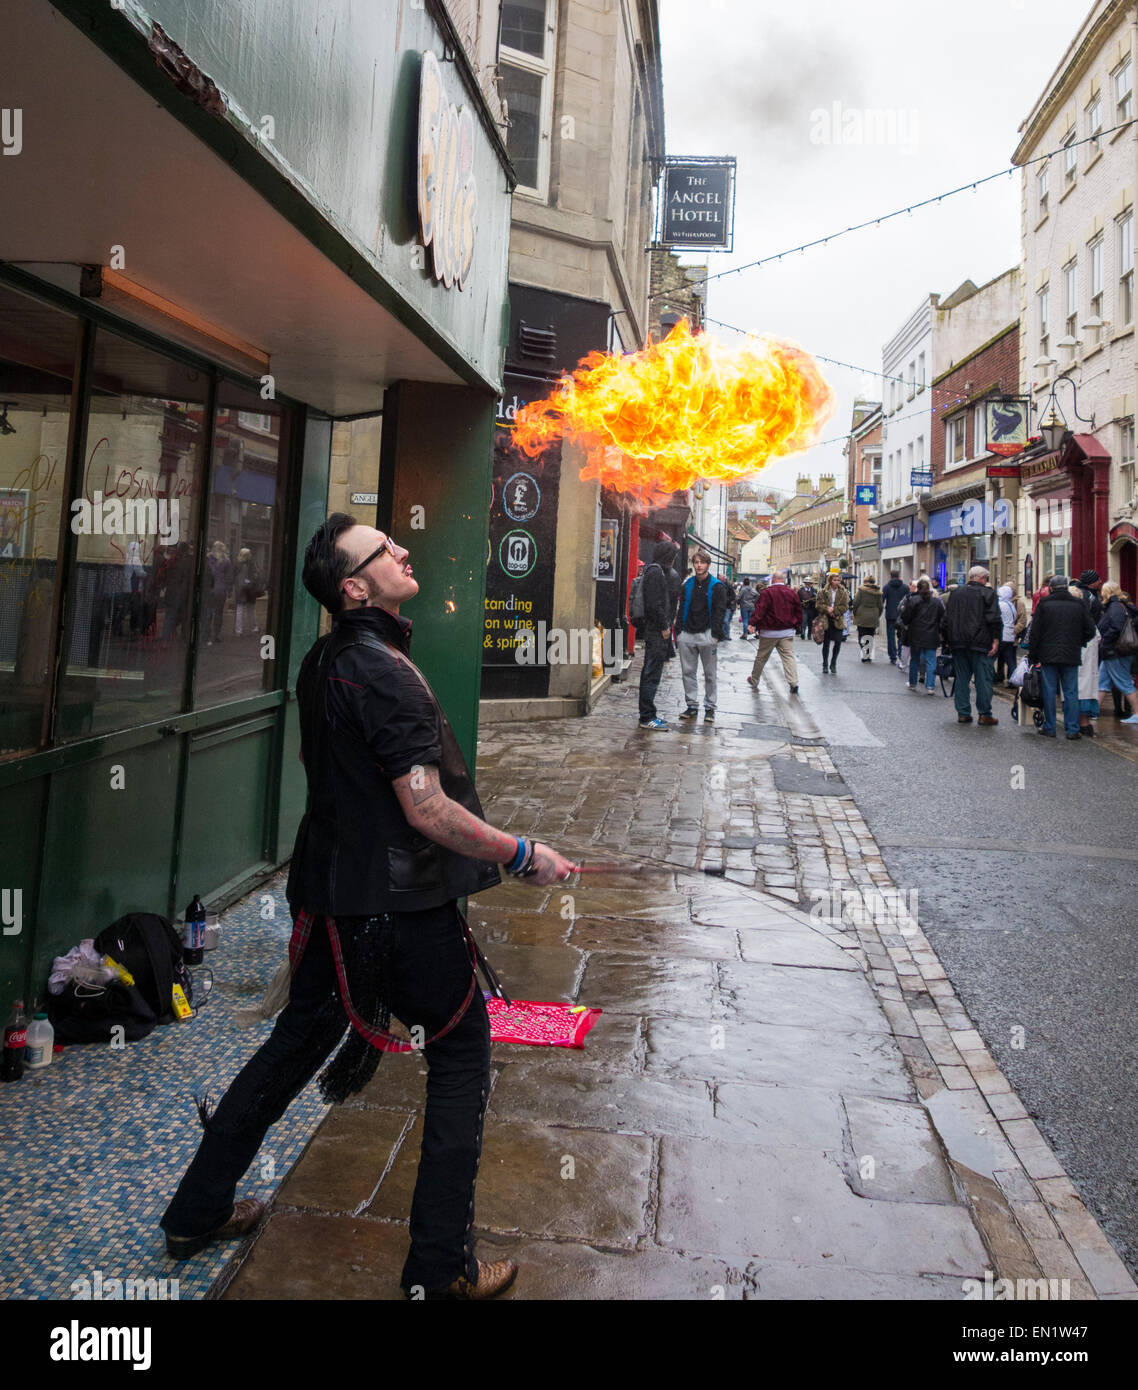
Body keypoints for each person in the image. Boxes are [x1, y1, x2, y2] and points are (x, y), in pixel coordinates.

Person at [160, 515, 576, 1300]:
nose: (403, 551)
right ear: (355, 586)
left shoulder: (323, 662)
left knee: (291, 1050)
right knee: (460, 1059)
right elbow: (427, 812)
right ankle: (439, 1273)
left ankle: (196, 1209)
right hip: (397, 916)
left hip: (332, 903)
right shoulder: (380, 669)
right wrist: (524, 854)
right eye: (385, 549)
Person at [1027, 573, 1096, 739]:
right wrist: (1080, 642)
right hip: (1071, 653)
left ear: (1050, 588)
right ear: (1066, 587)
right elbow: (1090, 630)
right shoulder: (1079, 604)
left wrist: (1033, 655)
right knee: (1071, 692)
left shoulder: (1044, 604)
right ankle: (1072, 729)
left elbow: (1035, 632)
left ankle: (1050, 727)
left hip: (1048, 654)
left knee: (1049, 691)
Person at [942, 564, 1001, 725]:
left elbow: (946, 620)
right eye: (986, 578)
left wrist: (947, 639)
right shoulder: (988, 594)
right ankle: (984, 714)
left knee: (962, 678)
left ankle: (963, 712)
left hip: (958, 643)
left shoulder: (955, 594)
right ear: (982, 578)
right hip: (981, 643)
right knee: (983, 680)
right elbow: (994, 619)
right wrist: (996, 640)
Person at [675, 549, 727, 721]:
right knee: (687, 672)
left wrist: (716, 634)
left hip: (707, 635)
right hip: (687, 634)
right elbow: (682, 608)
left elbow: (720, 611)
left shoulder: (717, 586)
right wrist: (679, 632)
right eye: (696, 562)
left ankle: (710, 708)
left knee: (710, 674)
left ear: (708, 565)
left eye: (702, 562)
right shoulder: (687, 584)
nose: (699, 565)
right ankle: (691, 706)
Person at [638, 539, 680, 730]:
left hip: (656, 629)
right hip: (656, 630)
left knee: (653, 672)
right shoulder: (656, 572)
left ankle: (649, 714)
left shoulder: (654, 570)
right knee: (651, 673)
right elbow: (655, 604)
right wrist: (664, 626)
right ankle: (647, 717)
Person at [746, 569, 802, 694]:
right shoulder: (791, 593)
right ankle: (793, 682)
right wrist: (798, 626)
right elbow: (798, 610)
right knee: (788, 658)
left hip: (769, 631)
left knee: (761, 657)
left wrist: (752, 623)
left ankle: (754, 680)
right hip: (786, 631)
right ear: (783, 580)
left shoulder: (767, 593)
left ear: (773, 580)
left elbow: (760, 610)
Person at [1097, 581, 1138, 723]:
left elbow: (1116, 628)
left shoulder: (1114, 607)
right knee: (1102, 682)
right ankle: (1094, 711)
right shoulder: (1121, 605)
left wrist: (1104, 641)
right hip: (1117, 651)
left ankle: (1137, 713)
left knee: (1124, 682)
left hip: (1114, 652)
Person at [898, 577, 944, 694]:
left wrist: (908, 624)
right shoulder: (936, 602)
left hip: (915, 634)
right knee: (931, 661)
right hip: (931, 635)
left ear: (917, 589)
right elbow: (943, 618)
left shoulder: (913, 601)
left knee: (914, 659)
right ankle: (930, 687)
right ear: (929, 589)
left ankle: (913, 683)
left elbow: (905, 617)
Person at [1070, 581, 1101, 736]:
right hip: (1086, 661)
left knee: (1072, 688)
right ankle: (1084, 722)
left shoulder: (1070, 616)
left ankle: (1073, 722)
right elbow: (1094, 635)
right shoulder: (1087, 618)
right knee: (1085, 687)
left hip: (1071, 658)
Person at [814, 568, 849, 675]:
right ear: (830, 581)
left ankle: (833, 663)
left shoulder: (843, 593)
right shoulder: (822, 592)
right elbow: (818, 605)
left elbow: (845, 606)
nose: (837, 582)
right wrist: (827, 609)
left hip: (838, 619)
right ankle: (825, 664)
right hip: (826, 619)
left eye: (838, 580)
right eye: (835, 580)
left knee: (838, 642)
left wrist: (835, 611)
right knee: (826, 643)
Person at [205, 540, 233, 644]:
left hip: (209, 589)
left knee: (208, 613)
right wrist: (229, 591)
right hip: (221, 590)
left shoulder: (207, 559)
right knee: (218, 613)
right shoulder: (226, 561)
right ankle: (215, 635)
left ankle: (206, 635)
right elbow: (229, 578)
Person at [851, 572, 884, 662]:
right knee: (870, 636)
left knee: (861, 635)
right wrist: (877, 615)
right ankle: (868, 654)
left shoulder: (861, 591)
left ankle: (864, 653)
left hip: (862, 615)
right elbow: (880, 606)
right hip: (873, 616)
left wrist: (855, 613)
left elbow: (855, 603)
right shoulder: (878, 593)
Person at [881, 569, 908, 667]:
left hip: (890, 615)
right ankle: (901, 654)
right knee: (901, 636)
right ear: (899, 575)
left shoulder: (887, 587)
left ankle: (893, 656)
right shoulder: (905, 587)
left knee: (891, 636)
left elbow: (882, 600)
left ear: (890, 576)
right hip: (902, 615)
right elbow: (909, 600)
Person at [233, 546, 262, 637]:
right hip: (250, 590)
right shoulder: (252, 564)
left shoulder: (237, 564)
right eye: (249, 554)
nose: (251, 555)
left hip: (240, 590)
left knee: (239, 610)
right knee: (251, 610)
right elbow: (255, 577)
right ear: (247, 555)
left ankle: (238, 630)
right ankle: (253, 627)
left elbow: (234, 577)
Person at [995, 584, 1018, 684]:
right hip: (1010, 635)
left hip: (1002, 635)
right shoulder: (1011, 605)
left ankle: (992, 677)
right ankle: (1015, 679)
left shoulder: (1000, 605)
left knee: (991, 657)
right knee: (1010, 660)